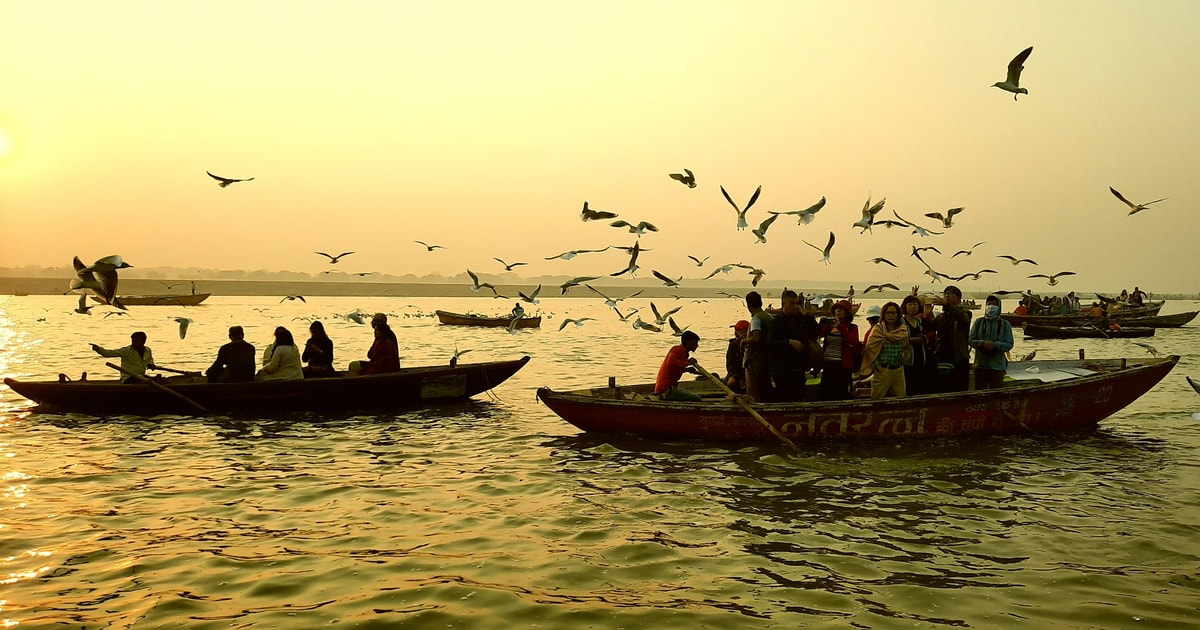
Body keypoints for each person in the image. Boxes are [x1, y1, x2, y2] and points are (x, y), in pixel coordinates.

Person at [769, 289, 819, 402]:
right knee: (785, 398)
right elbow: (771, 343)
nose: (795, 306)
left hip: (799, 368)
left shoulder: (800, 320)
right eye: (791, 303)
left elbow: (815, 330)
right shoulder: (777, 321)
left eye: (797, 303)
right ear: (784, 304)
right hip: (783, 370)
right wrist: (789, 342)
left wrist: (805, 314)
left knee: (799, 396)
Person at [859, 301, 910, 399]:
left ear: (898, 315)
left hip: (898, 370)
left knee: (901, 399)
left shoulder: (902, 329)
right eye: (888, 313)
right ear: (883, 314)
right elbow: (870, 350)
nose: (891, 315)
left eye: (894, 313)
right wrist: (877, 366)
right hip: (883, 370)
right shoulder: (878, 329)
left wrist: (903, 355)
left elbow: (906, 347)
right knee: (877, 399)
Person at [817, 300, 862, 401]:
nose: (838, 311)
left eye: (842, 309)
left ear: (847, 312)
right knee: (824, 393)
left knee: (841, 393)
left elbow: (853, 341)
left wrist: (840, 327)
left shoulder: (852, 327)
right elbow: (818, 335)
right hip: (828, 364)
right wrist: (822, 325)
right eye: (837, 309)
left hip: (843, 366)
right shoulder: (829, 327)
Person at [932, 285, 973, 392]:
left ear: (958, 298)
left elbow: (962, 319)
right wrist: (927, 313)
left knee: (959, 389)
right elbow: (929, 326)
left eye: (950, 294)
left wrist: (947, 305)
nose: (947, 296)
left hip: (959, 357)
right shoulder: (942, 316)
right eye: (945, 294)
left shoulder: (966, 313)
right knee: (942, 389)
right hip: (942, 357)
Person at [969, 294, 1014, 390]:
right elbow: (971, 340)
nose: (991, 307)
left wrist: (995, 345)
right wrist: (983, 343)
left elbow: (1009, 344)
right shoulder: (979, 322)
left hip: (998, 366)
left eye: (994, 305)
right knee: (980, 392)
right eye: (989, 304)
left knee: (996, 392)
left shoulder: (1005, 324)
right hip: (980, 365)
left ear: (999, 307)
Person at [741, 291, 774, 402]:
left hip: (755, 361)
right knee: (766, 390)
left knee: (754, 393)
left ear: (748, 305)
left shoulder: (756, 319)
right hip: (767, 360)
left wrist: (744, 341)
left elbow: (756, 338)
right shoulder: (768, 317)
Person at [900, 295, 936, 396]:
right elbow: (897, 339)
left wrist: (927, 316)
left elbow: (930, 335)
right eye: (910, 304)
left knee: (920, 387)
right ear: (905, 306)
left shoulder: (920, 321)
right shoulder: (901, 322)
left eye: (915, 305)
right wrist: (911, 340)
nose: (912, 307)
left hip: (921, 358)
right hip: (907, 361)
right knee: (908, 387)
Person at [92, 331, 156, 383]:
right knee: (145, 381)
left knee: (156, 380)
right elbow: (109, 353)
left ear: (143, 342)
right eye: (133, 341)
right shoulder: (126, 351)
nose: (134, 343)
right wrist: (98, 349)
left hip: (141, 376)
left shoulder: (148, 350)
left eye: (136, 341)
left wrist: (151, 364)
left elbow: (150, 359)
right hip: (129, 378)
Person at [655, 330, 702, 402]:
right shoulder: (677, 350)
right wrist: (688, 363)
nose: (697, 345)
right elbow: (670, 362)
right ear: (687, 342)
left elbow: (674, 368)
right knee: (697, 399)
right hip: (665, 389)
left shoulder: (685, 353)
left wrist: (687, 370)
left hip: (671, 387)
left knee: (693, 396)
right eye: (695, 342)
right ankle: (665, 396)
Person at [725, 320, 749, 394]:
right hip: (735, 373)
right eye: (736, 330)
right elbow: (730, 364)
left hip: (748, 372)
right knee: (731, 383)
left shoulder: (751, 344)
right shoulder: (733, 345)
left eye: (739, 330)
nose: (736, 333)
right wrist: (738, 377)